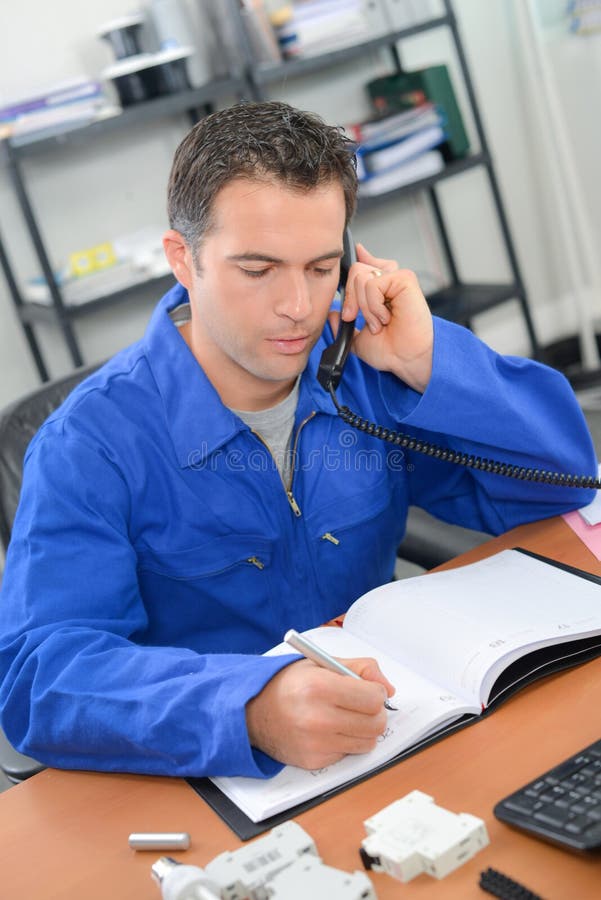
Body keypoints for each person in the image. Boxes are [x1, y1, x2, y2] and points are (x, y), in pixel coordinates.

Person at [0, 101, 596, 779]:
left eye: (319, 268)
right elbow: (40, 676)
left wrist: (425, 360)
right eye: (257, 271)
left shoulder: (358, 371)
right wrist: (247, 706)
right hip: (217, 772)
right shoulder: (88, 444)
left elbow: (556, 485)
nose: (297, 307)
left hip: (391, 728)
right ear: (182, 260)